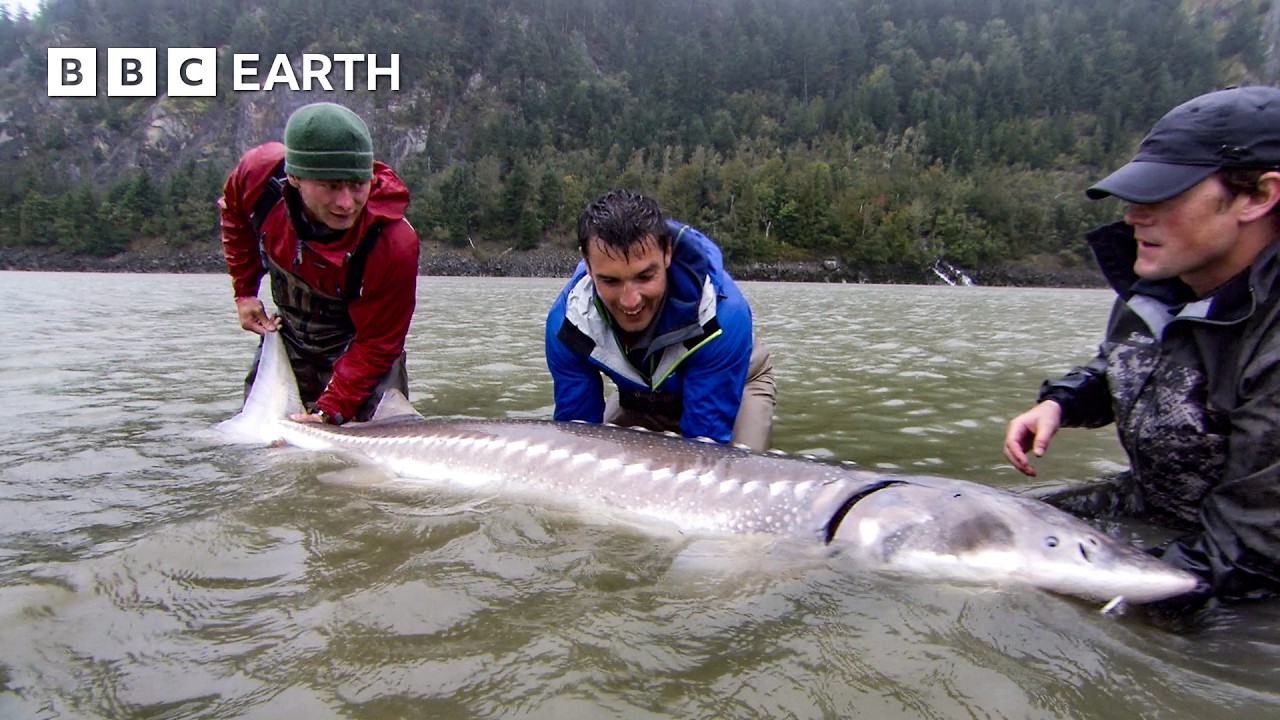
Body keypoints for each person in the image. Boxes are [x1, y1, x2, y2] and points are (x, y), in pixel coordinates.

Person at [1002, 85, 1280, 609]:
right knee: (1001, 522)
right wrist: (1061, 401)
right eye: (1135, 195)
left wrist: (1095, 604)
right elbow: (1122, 367)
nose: (1132, 216)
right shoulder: (1163, 283)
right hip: (1156, 505)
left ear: (1259, 196)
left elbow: (1250, 552)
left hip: (1245, 568)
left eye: (1163, 195)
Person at [219, 101, 420, 425]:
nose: (346, 203)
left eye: (357, 185)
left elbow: (378, 344)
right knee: (263, 451)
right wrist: (244, 292)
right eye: (330, 186)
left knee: (375, 460)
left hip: (361, 346)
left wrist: (329, 411)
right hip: (291, 332)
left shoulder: (393, 242)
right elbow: (234, 215)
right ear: (294, 177)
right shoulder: (259, 176)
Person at [545, 189, 776, 451]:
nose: (630, 301)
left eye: (644, 277)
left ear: (667, 252)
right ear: (587, 262)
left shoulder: (723, 314)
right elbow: (578, 432)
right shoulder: (568, 323)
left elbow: (705, 442)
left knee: (728, 476)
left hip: (736, 380)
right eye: (610, 281)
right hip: (639, 395)